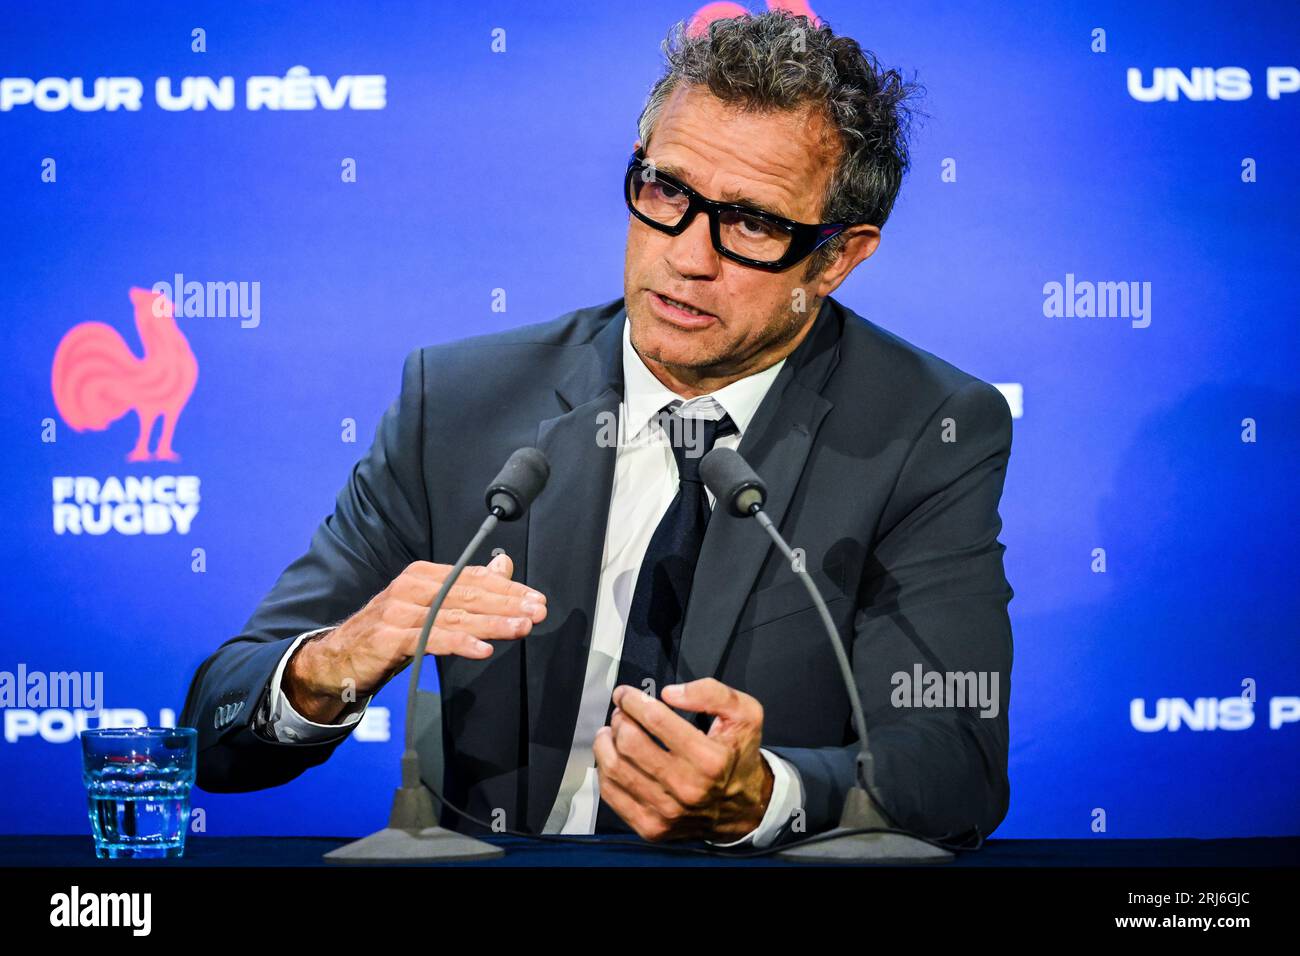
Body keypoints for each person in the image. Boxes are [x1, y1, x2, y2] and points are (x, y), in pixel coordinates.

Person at [181, 10, 1013, 848]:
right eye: (667, 191)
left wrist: (765, 795)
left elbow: (955, 765)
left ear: (837, 257)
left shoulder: (924, 431)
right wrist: (334, 662)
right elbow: (215, 737)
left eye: (753, 223)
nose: (689, 256)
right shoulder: (462, 402)